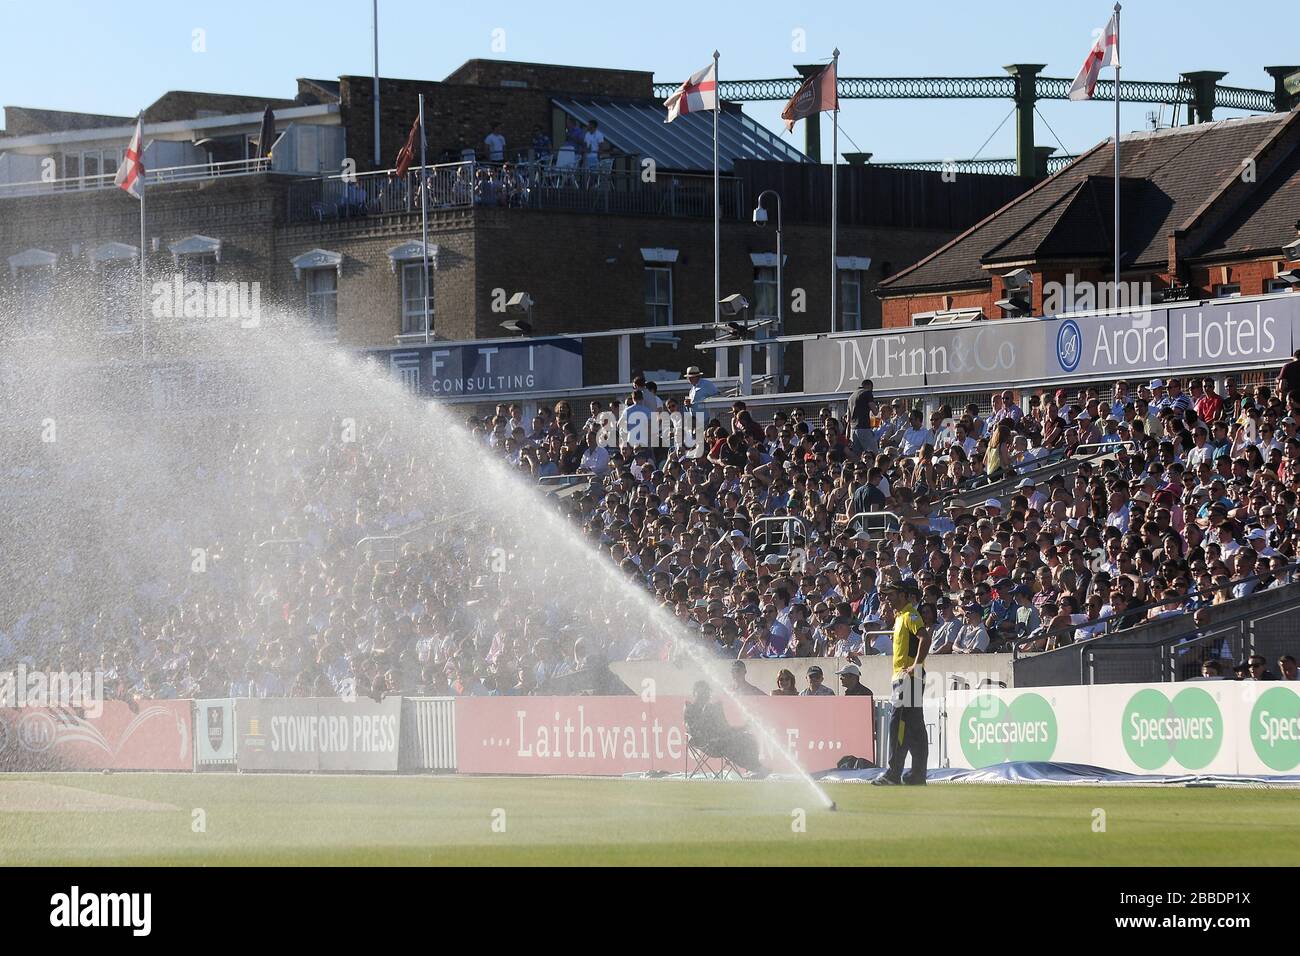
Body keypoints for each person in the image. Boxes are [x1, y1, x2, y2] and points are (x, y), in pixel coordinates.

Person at [873, 579, 930, 786]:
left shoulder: (909, 615)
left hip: (908, 679)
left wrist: (916, 665)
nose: (888, 598)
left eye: (892, 594)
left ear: (904, 595)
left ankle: (893, 773)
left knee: (899, 724)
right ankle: (917, 774)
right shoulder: (900, 617)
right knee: (915, 726)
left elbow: (925, 638)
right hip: (906, 678)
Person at [683, 681, 766, 775]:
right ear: (694, 693)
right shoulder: (690, 708)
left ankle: (756, 768)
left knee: (749, 738)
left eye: (706, 692)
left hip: (720, 740)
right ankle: (754, 768)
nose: (704, 695)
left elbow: (725, 728)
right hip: (707, 744)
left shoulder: (713, 708)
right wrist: (703, 731)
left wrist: (743, 728)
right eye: (701, 693)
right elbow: (690, 728)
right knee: (731, 744)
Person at [847, 378, 879, 455]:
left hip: (853, 430)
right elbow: (875, 412)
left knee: (858, 456)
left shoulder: (851, 397)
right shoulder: (867, 393)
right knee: (873, 454)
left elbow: (848, 419)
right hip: (864, 428)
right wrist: (877, 407)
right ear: (869, 386)